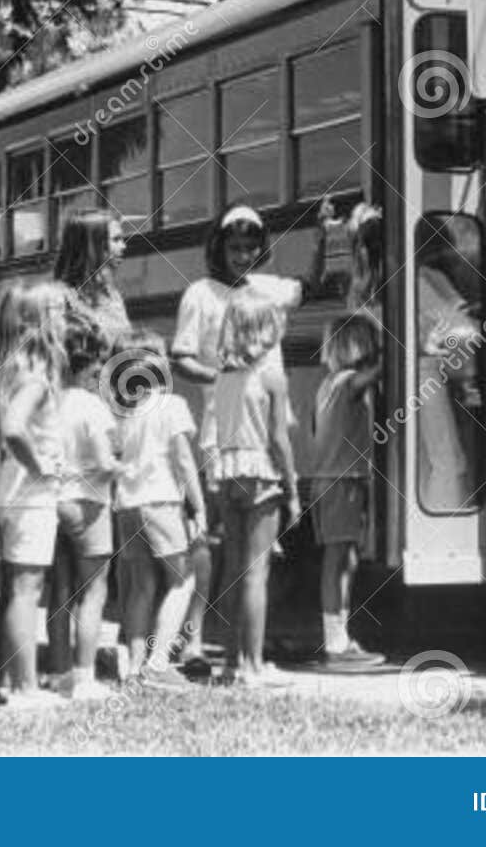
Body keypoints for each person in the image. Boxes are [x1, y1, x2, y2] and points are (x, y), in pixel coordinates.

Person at [170, 202, 316, 673]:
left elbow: (307, 288)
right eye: (234, 247)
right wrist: (223, 375)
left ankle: (236, 657)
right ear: (218, 247)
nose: (243, 254)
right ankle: (207, 646)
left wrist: (329, 235)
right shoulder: (201, 293)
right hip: (234, 436)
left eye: (252, 246)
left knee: (236, 560)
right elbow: (182, 356)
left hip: (236, 435)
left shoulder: (269, 287)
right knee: (234, 558)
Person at [0, 281, 70, 707]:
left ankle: (6, 680)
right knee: (26, 590)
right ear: (42, 319)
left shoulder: (13, 364)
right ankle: (25, 686)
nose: (67, 319)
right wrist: (41, 465)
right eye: (60, 311)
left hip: (10, 492)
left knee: (13, 588)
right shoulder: (36, 375)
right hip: (31, 495)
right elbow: (14, 428)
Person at [210, 287, 300, 686]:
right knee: (256, 575)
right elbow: (279, 439)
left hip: (228, 473)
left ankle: (231, 662)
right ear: (267, 330)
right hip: (261, 473)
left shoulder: (225, 376)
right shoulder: (272, 377)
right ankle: (253, 664)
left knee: (232, 572)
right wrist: (293, 488)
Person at [109, 330, 203, 681]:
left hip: (127, 505)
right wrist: (199, 505)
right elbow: (183, 460)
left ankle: (133, 665)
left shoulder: (122, 411)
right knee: (183, 580)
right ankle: (159, 662)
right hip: (161, 501)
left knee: (141, 585)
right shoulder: (172, 405)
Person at [47, 316, 120, 700]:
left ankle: (58, 672)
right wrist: (125, 467)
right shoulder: (94, 407)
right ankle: (85, 677)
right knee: (93, 591)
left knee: (58, 591)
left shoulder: (50, 399)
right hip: (89, 502)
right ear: (91, 362)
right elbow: (106, 464)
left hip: (53, 500)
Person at [306, 313, 383, 664]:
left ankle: (340, 634)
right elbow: (376, 374)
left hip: (335, 481)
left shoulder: (327, 384)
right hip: (342, 482)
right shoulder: (349, 381)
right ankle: (334, 642)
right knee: (337, 559)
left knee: (345, 558)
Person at [414, 217, 486, 512]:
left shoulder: (369, 284)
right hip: (426, 377)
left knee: (423, 459)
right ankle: (444, 529)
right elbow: (460, 327)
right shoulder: (425, 278)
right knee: (448, 459)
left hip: (403, 378)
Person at [53, 209, 131, 341]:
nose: (124, 246)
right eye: (116, 239)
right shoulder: (61, 299)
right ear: (93, 245)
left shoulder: (112, 295)